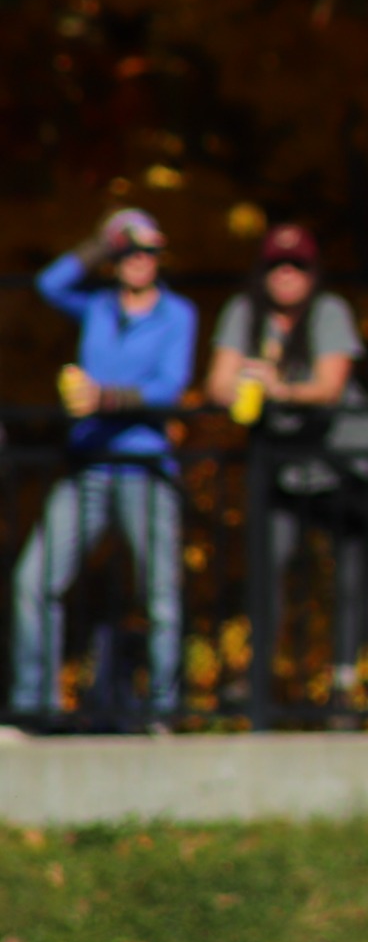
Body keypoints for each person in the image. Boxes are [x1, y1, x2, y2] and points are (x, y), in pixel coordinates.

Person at [11, 210, 196, 728]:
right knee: (33, 580)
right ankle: (36, 704)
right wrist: (102, 239)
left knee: (161, 595)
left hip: (143, 467)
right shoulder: (97, 306)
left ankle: (163, 709)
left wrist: (106, 398)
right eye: (128, 251)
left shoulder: (176, 314)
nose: (139, 259)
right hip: (88, 464)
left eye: (148, 250)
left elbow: (169, 387)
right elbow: (49, 284)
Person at [206, 222, 368, 709]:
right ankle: (258, 678)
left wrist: (277, 386)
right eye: (276, 266)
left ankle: (345, 681)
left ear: (312, 273)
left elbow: (329, 387)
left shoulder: (329, 312)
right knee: (268, 563)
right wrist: (244, 385)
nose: (286, 274)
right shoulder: (244, 313)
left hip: (345, 461)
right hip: (283, 467)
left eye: (297, 266)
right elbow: (217, 384)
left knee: (349, 572)